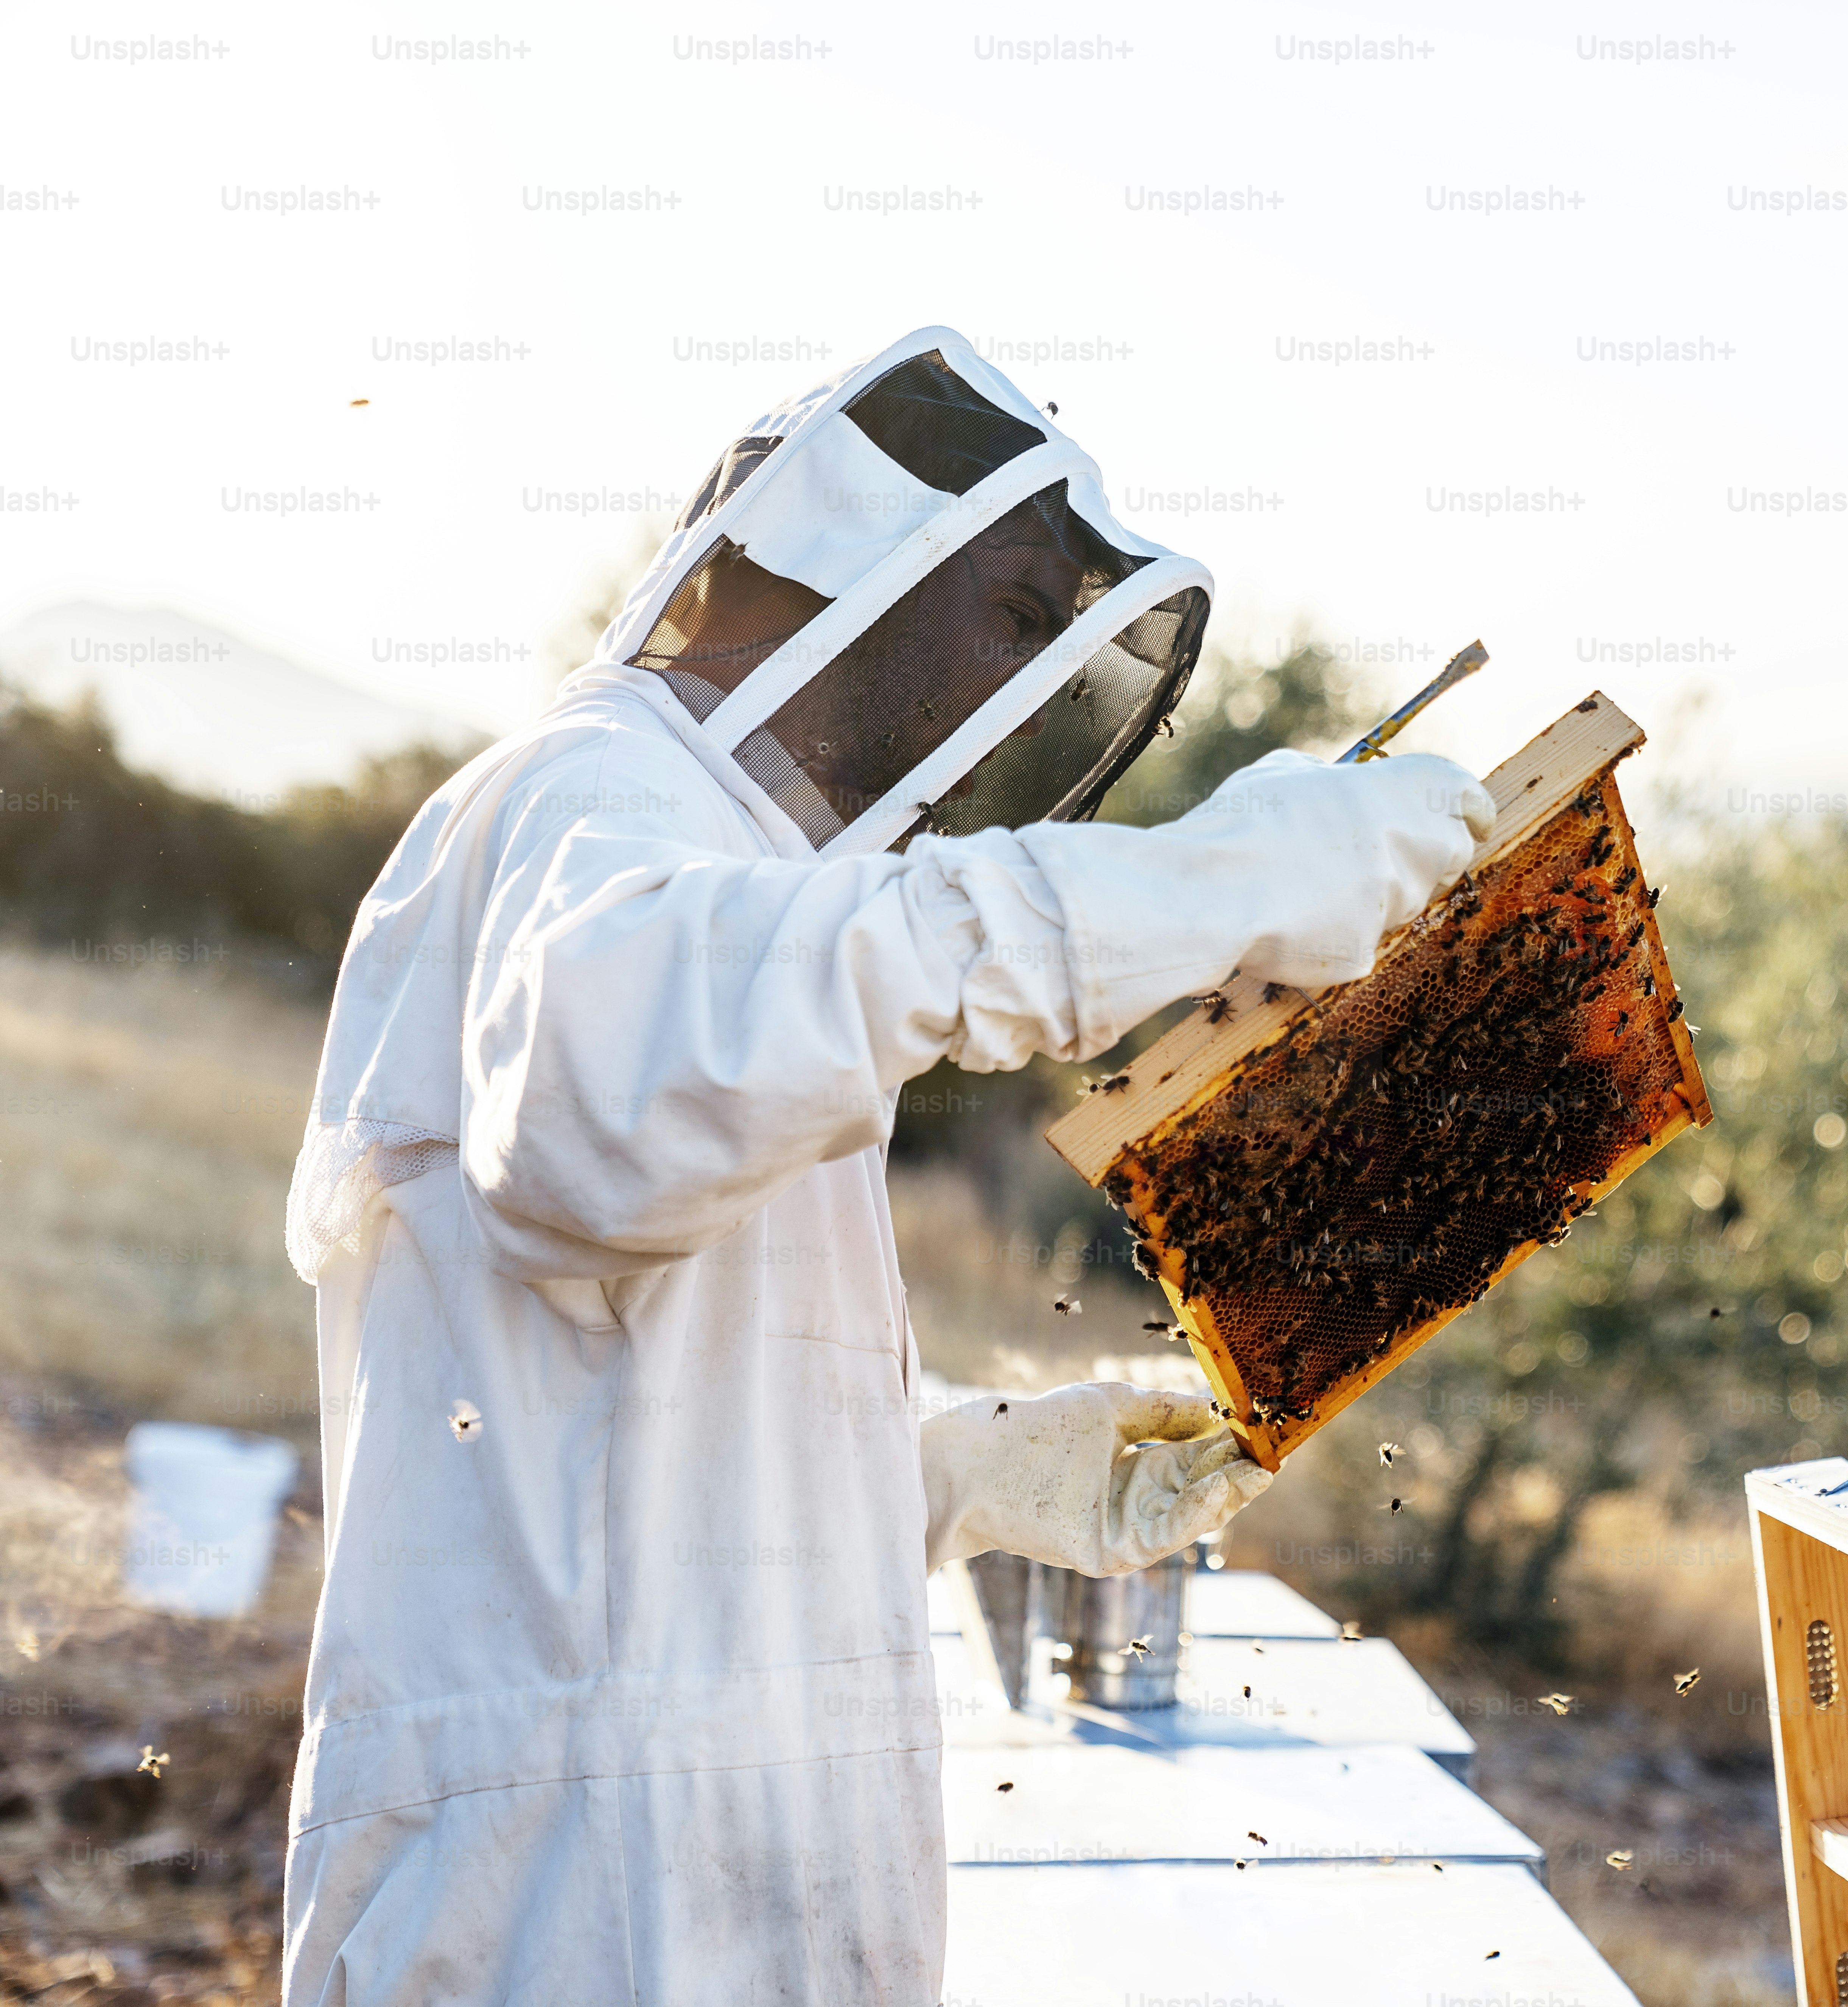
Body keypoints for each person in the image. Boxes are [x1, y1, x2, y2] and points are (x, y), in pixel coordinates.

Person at [278, 330, 1493, 2002]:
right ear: (850, 556)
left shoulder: (717, 869)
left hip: (680, 1879)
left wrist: (951, 1470)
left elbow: (618, 1426)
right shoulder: (590, 792)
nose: (1023, 690)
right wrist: (1216, 884)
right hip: (564, 1917)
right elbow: (600, 1131)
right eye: (1014, 613)